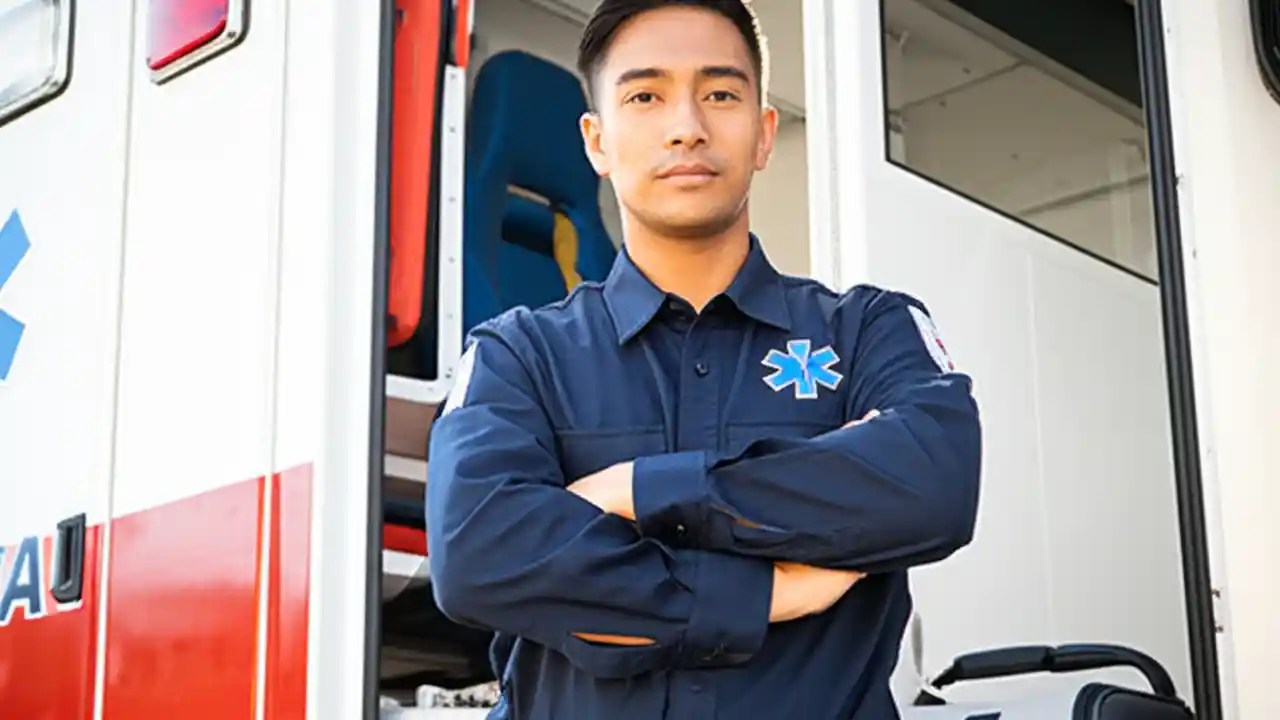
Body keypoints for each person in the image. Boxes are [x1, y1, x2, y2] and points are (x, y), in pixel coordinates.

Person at [426, 0, 983, 717]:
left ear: (763, 132)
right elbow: (478, 555)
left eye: (720, 94)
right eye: (645, 96)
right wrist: (766, 592)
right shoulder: (519, 356)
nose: (687, 126)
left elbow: (933, 484)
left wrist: (633, 492)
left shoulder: (867, 329)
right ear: (595, 141)